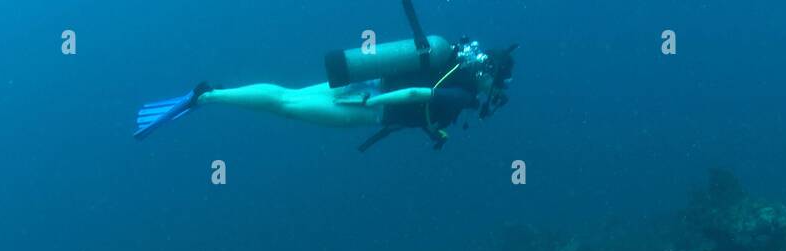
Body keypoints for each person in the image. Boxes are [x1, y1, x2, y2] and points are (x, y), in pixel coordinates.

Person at [134, 1, 515, 150]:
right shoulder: (464, 93)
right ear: (490, 74)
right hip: (370, 106)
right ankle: (206, 98)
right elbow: (418, 96)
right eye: (497, 84)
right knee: (285, 105)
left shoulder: (452, 66)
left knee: (288, 94)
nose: (494, 92)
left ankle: (212, 94)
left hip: (370, 83)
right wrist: (376, 102)